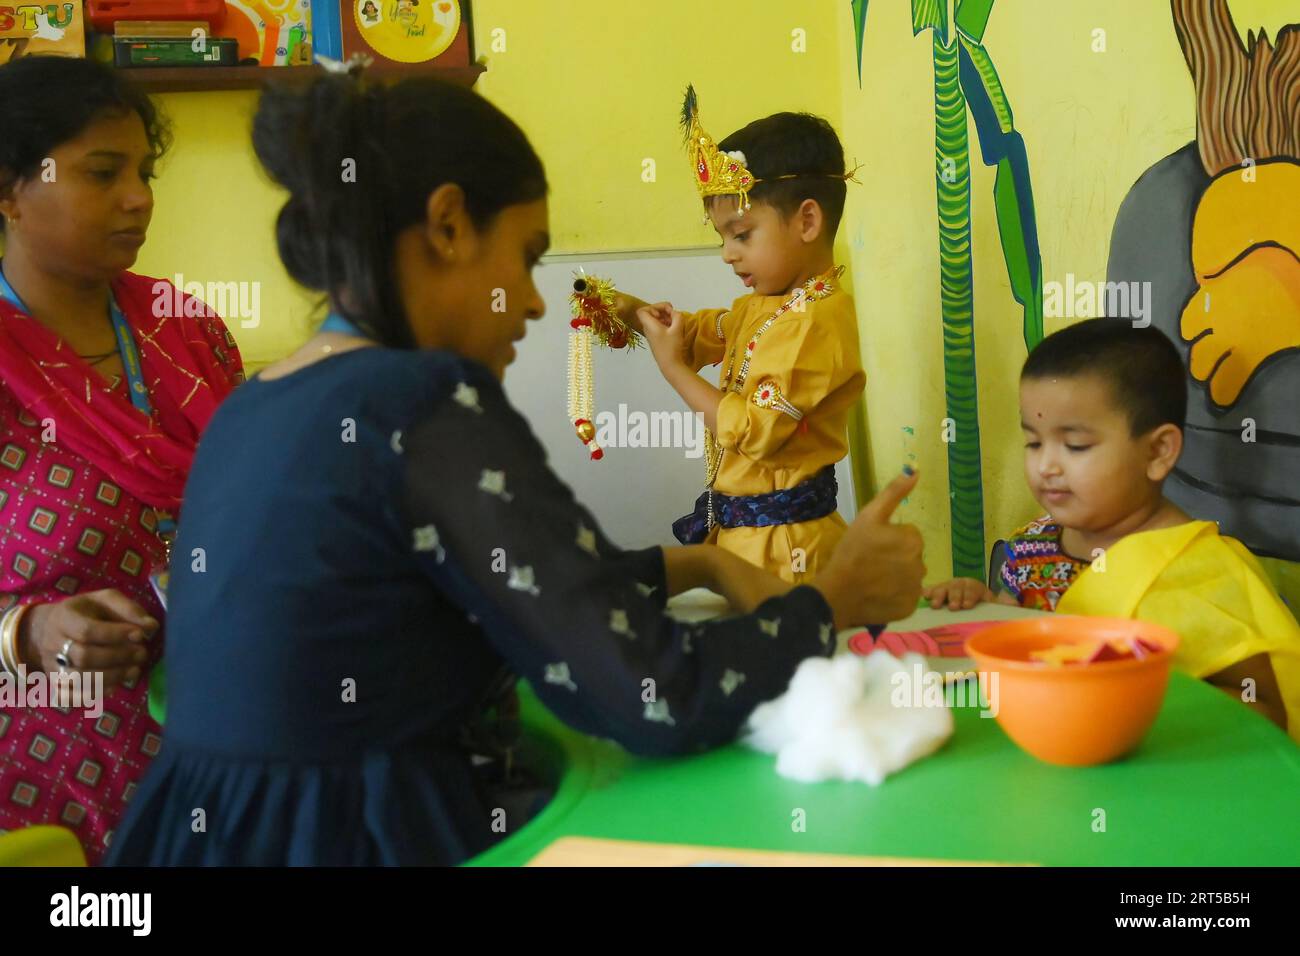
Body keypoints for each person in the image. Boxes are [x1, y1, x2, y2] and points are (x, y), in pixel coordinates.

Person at [105, 73, 926, 865]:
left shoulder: (257, 402)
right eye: (528, 256)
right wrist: (831, 600)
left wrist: (700, 562)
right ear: (450, 225)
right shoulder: (423, 403)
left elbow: (500, 580)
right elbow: (652, 696)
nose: (533, 304)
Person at [0, 55, 244, 863]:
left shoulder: (190, 332)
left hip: (227, 752)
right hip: (46, 787)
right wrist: (25, 634)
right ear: (8, 190)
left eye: (145, 171)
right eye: (104, 172)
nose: (140, 197)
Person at [924, 319, 1299, 740]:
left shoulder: (1207, 572)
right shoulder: (1030, 545)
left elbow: (1266, 713)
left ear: (1157, 452)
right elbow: (1018, 635)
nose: (1046, 465)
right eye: (1034, 442)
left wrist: (1136, 699)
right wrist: (982, 610)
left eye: (1076, 445)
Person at [616, 86, 865, 584]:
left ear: (808, 220)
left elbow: (753, 431)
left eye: (742, 233)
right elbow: (705, 333)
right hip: (747, 538)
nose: (727, 253)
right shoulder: (766, 305)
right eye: (722, 237)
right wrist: (633, 311)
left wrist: (672, 369)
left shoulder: (815, 323)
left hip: (788, 548)